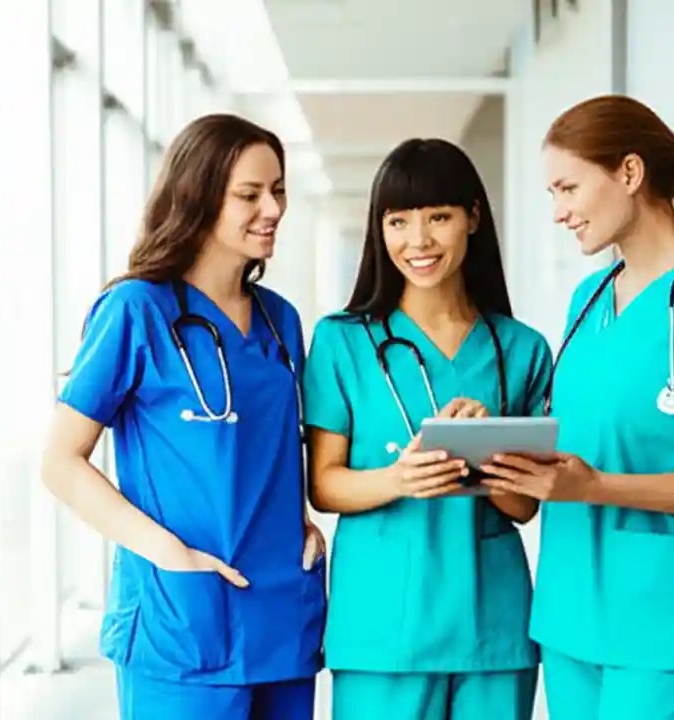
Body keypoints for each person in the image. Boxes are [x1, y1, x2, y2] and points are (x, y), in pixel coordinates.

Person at [481, 94, 674, 719]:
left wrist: (596, 487)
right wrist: (499, 446)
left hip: (666, 620)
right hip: (570, 615)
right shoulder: (587, 301)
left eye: (567, 188)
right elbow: (584, 441)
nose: (558, 212)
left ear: (630, 174)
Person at [40, 113, 327, 720]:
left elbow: (274, 443)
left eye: (278, 190)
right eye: (249, 194)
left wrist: (300, 521)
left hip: (279, 611)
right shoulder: (134, 311)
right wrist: (167, 553)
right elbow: (61, 463)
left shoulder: (281, 320)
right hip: (182, 615)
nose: (272, 208)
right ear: (197, 198)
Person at [302, 138, 552, 720]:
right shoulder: (344, 341)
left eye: (438, 216)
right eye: (399, 221)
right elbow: (324, 485)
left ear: (473, 217)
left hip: (491, 623)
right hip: (383, 627)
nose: (419, 240)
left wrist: (491, 450)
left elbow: (522, 508)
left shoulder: (520, 349)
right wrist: (398, 478)